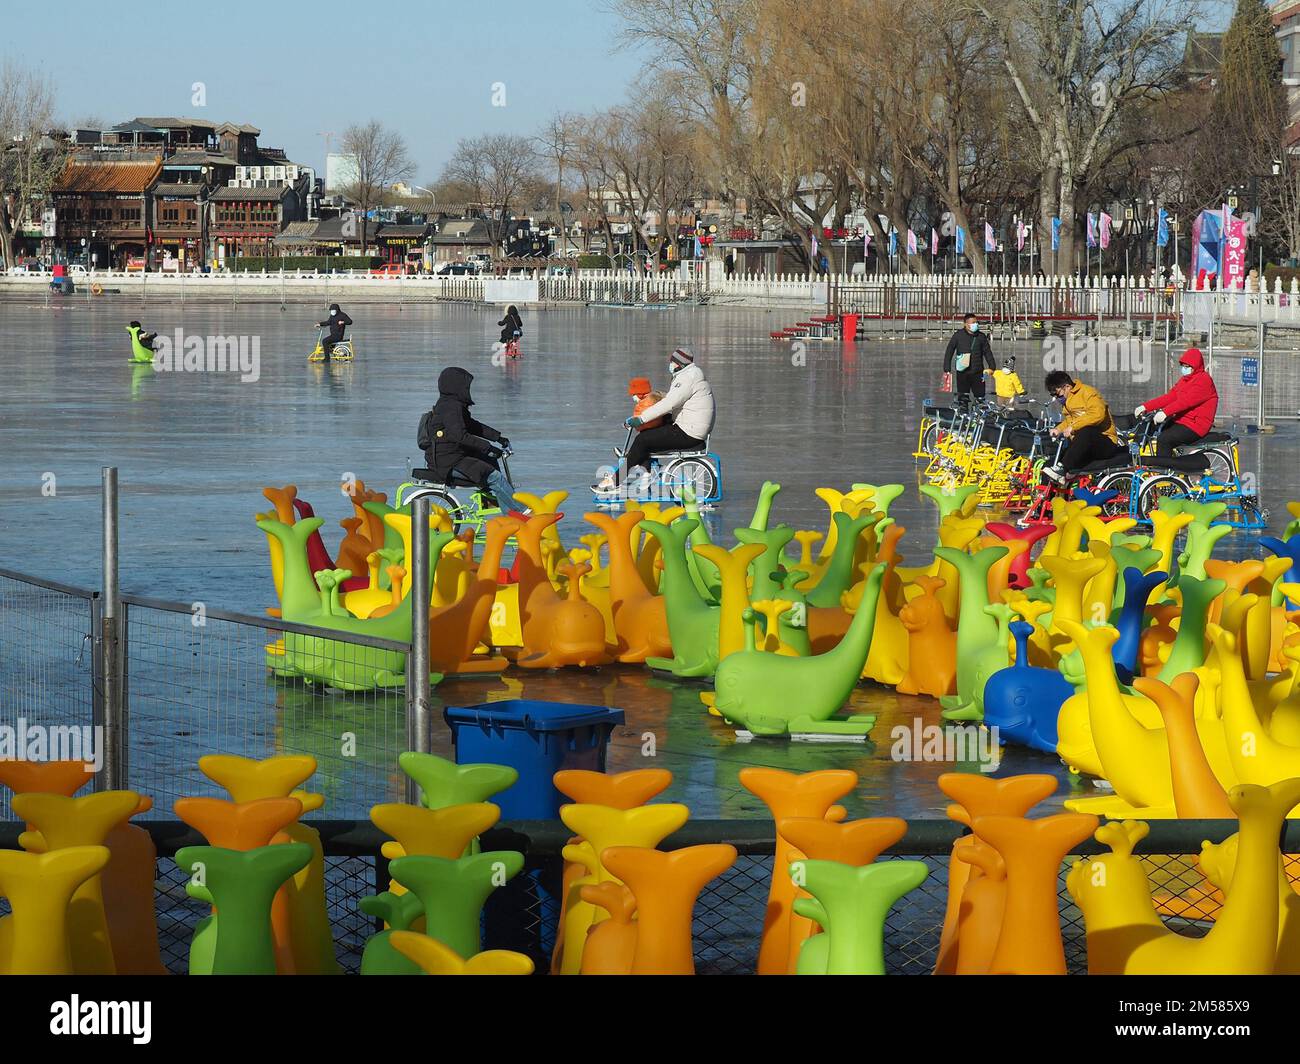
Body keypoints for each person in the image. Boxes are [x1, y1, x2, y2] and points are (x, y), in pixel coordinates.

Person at [594, 347, 715, 493]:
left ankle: (615, 481)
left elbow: (668, 403)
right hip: (690, 426)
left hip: (689, 432)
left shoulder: (687, 378)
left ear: (678, 363)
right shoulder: (690, 376)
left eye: (672, 361)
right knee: (647, 436)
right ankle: (646, 470)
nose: (670, 364)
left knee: (642, 441)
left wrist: (641, 419)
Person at [417, 367, 516, 507]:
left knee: (490, 462)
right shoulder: (450, 407)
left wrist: (498, 437)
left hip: (452, 455)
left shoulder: (450, 404)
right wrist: (488, 447)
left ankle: (489, 499)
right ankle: (519, 513)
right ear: (456, 385)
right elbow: (460, 436)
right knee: (494, 477)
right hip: (447, 462)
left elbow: (472, 425)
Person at [1134, 347, 1219, 456]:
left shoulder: (1204, 380)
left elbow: (1186, 402)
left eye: (1187, 366)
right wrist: (1145, 407)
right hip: (1181, 420)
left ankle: (1164, 469)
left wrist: (1165, 412)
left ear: (1195, 367)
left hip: (1195, 425)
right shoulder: (1185, 380)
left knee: (1164, 440)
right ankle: (1135, 454)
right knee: (1147, 424)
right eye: (1183, 366)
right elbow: (1170, 397)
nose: (1184, 368)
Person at [1040, 370, 1121, 483]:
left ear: (1067, 387)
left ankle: (1063, 467)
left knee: (1086, 431)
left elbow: (1097, 415)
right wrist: (1058, 429)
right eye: (1053, 395)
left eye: (1058, 394)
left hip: (1105, 442)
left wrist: (1073, 427)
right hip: (1082, 446)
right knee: (1048, 466)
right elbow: (1070, 421)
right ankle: (1047, 498)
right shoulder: (1067, 402)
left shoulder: (1088, 393)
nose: (1057, 398)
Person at [942, 313, 995, 402]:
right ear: (966, 324)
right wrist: (947, 368)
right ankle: (963, 412)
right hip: (963, 373)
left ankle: (979, 413)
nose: (976, 324)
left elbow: (987, 352)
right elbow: (949, 351)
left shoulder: (981, 336)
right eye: (973, 322)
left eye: (976, 322)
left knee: (980, 398)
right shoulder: (958, 336)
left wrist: (992, 366)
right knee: (963, 398)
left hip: (978, 372)